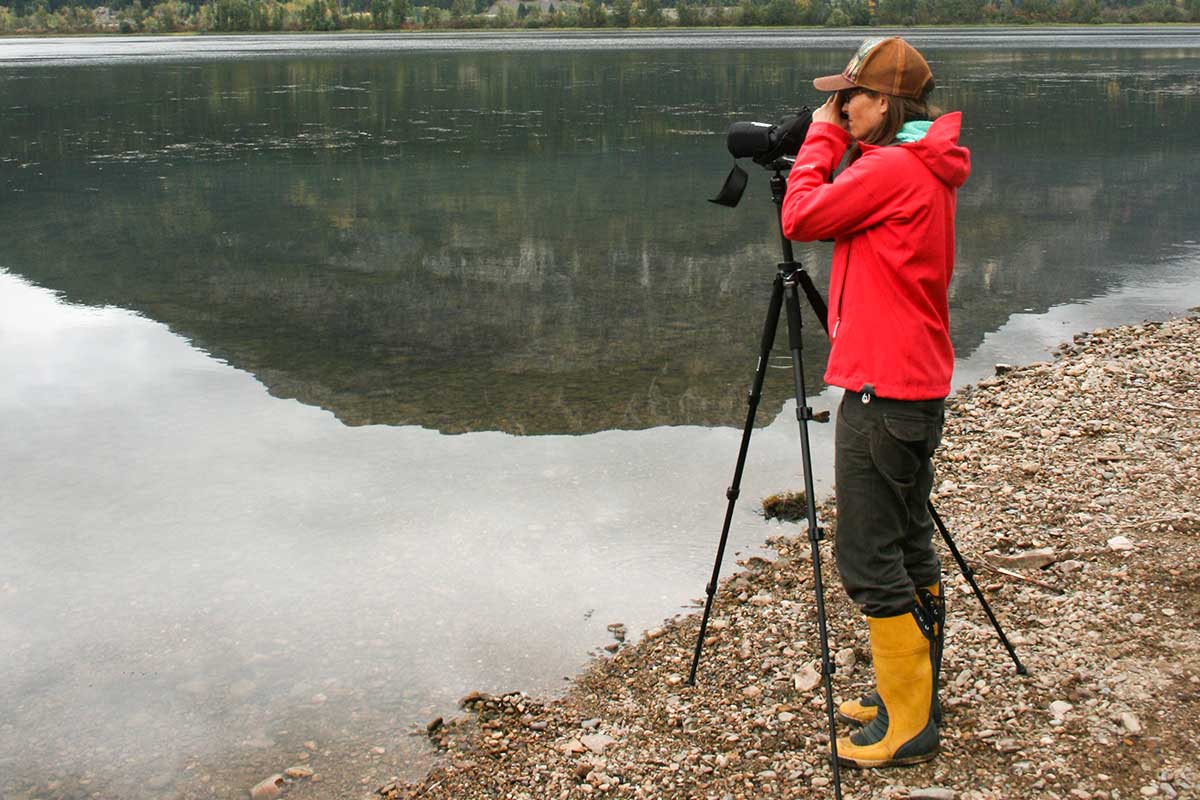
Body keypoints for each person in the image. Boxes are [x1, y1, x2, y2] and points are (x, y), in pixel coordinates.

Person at [779, 36, 970, 769]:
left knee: (865, 557)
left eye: (848, 97)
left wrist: (822, 139)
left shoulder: (891, 167)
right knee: (908, 541)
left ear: (883, 102)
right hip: (914, 386)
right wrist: (838, 133)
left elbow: (801, 216)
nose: (839, 107)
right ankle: (910, 696)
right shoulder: (924, 163)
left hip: (882, 392)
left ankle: (909, 727)